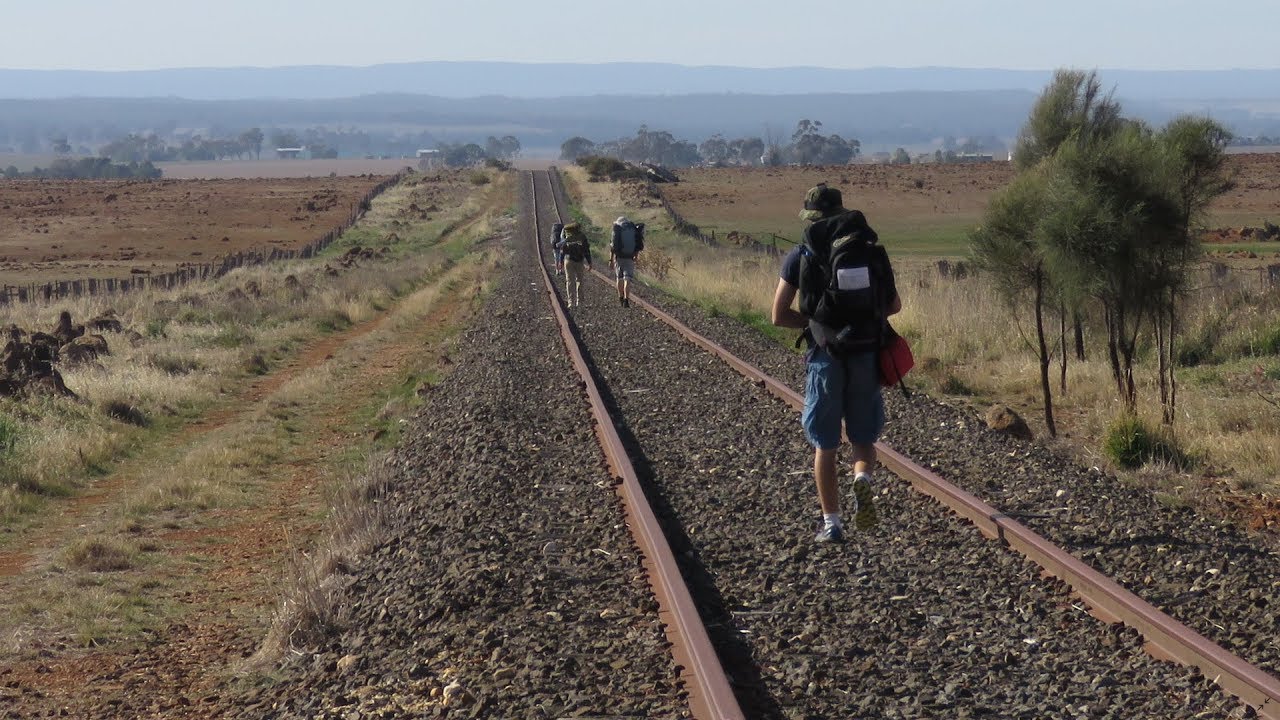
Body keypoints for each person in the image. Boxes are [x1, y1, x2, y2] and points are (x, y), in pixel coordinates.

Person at [771, 183, 901, 543]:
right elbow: (893, 306)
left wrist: (815, 325)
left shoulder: (802, 254)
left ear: (812, 217)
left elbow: (778, 315)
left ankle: (832, 523)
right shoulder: (869, 250)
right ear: (842, 211)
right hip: (865, 354)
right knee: (862, 438)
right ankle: (862, 480)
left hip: (825, 356)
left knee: (825, 445)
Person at [609, 216, 644, 307]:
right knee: (627, 279)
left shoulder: (617, 230)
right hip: (630, 257)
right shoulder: (632, 230)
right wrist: (636, 257)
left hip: (619, 257)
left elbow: (612, 247)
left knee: (619, 278)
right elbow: (637, 246)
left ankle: (620, 298)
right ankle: (626, 300)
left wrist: (611, 260)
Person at [556, 222, 592, 308]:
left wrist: (560, 262)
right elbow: (586, 250)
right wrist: (589, 262)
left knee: (569, 281)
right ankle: (580, 302)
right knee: (579, 281)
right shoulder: (582, 236)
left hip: (568, 260)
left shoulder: (566, 236)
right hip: (579, 261)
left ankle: (571, 302)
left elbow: (562, 250)